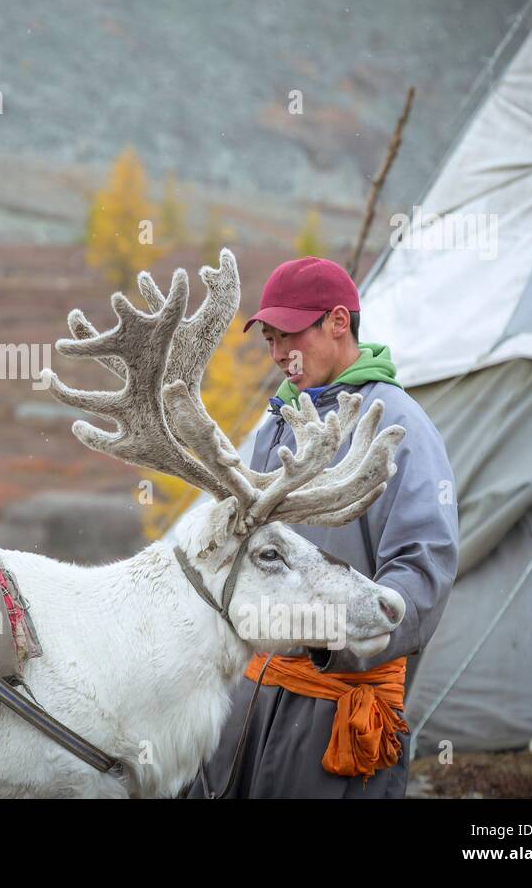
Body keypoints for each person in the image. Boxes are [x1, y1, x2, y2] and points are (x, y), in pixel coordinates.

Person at [186, 256, 459, 798]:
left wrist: (334, 636)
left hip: (336, 711)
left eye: (290, 334)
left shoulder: (400, 426)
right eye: (269, 338)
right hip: (251, 703)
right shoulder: (278, 426)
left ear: (338, 322)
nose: (279, 353)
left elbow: (422, 571)